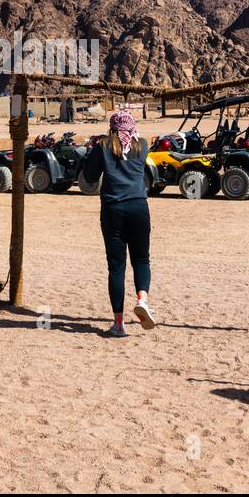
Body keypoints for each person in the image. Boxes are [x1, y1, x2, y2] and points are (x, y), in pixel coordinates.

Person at [82, 110, 156, 338]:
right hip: (139, 208)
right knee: (141, 259)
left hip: (113, 210)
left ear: (111, 128)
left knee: (116, 267)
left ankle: (118, 324)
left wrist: (92, 151)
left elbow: (90, 177)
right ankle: (142, 299)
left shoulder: (103, 146)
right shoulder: (142, 145)